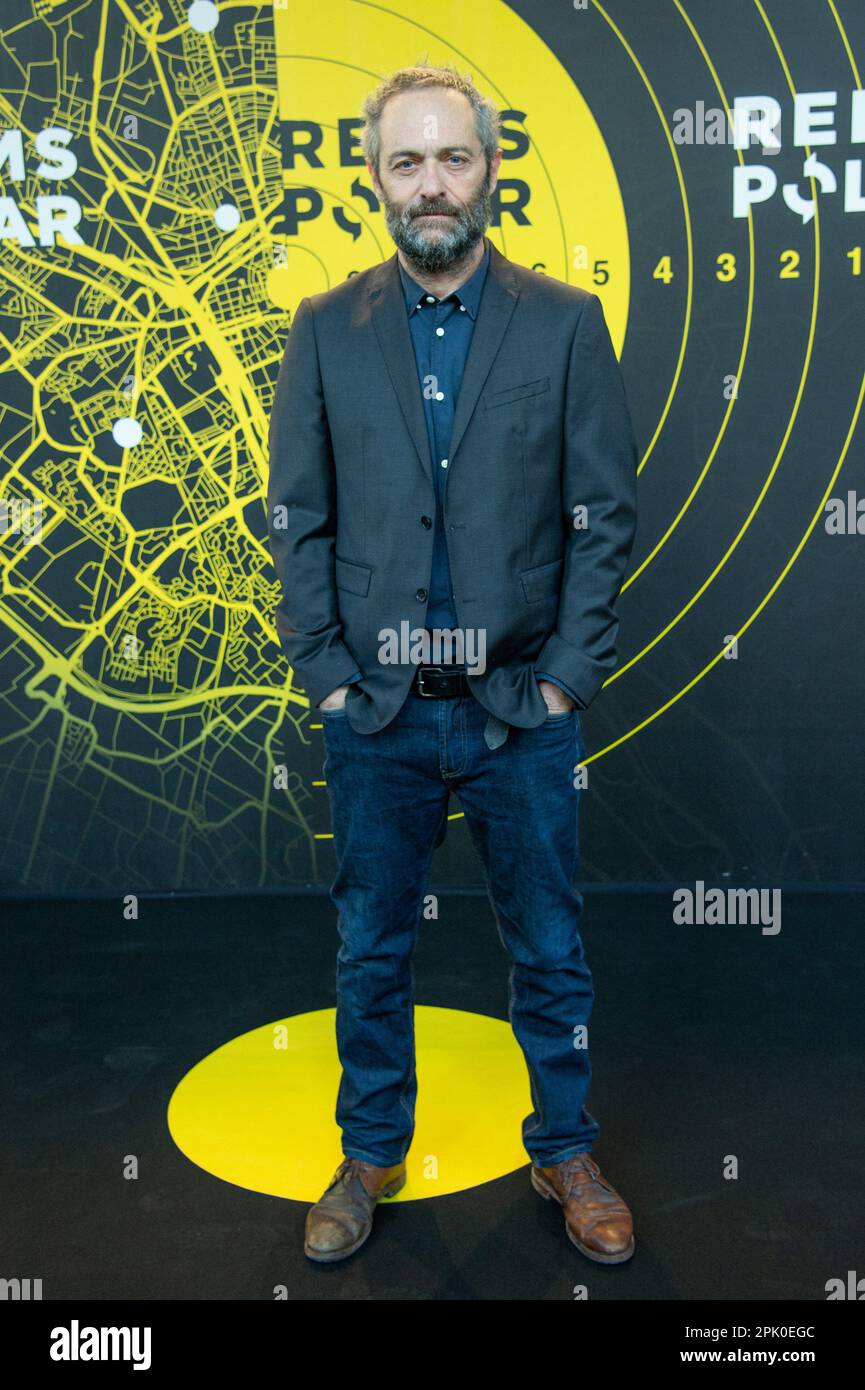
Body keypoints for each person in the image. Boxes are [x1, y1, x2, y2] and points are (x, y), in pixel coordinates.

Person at [267, 63, 639, 1266]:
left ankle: (566, 1146)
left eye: (453, 157)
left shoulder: (564, 322)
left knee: (549, 944)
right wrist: (324, 669)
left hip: (519, 713)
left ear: (490, 168)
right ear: (374, 179)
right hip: (374, 714)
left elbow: (603, 513)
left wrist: (568, 677)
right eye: (406, 160)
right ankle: (369, 1150)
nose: (432, 182)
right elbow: (301, 518)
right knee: (370, 945)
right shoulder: (323, 332)